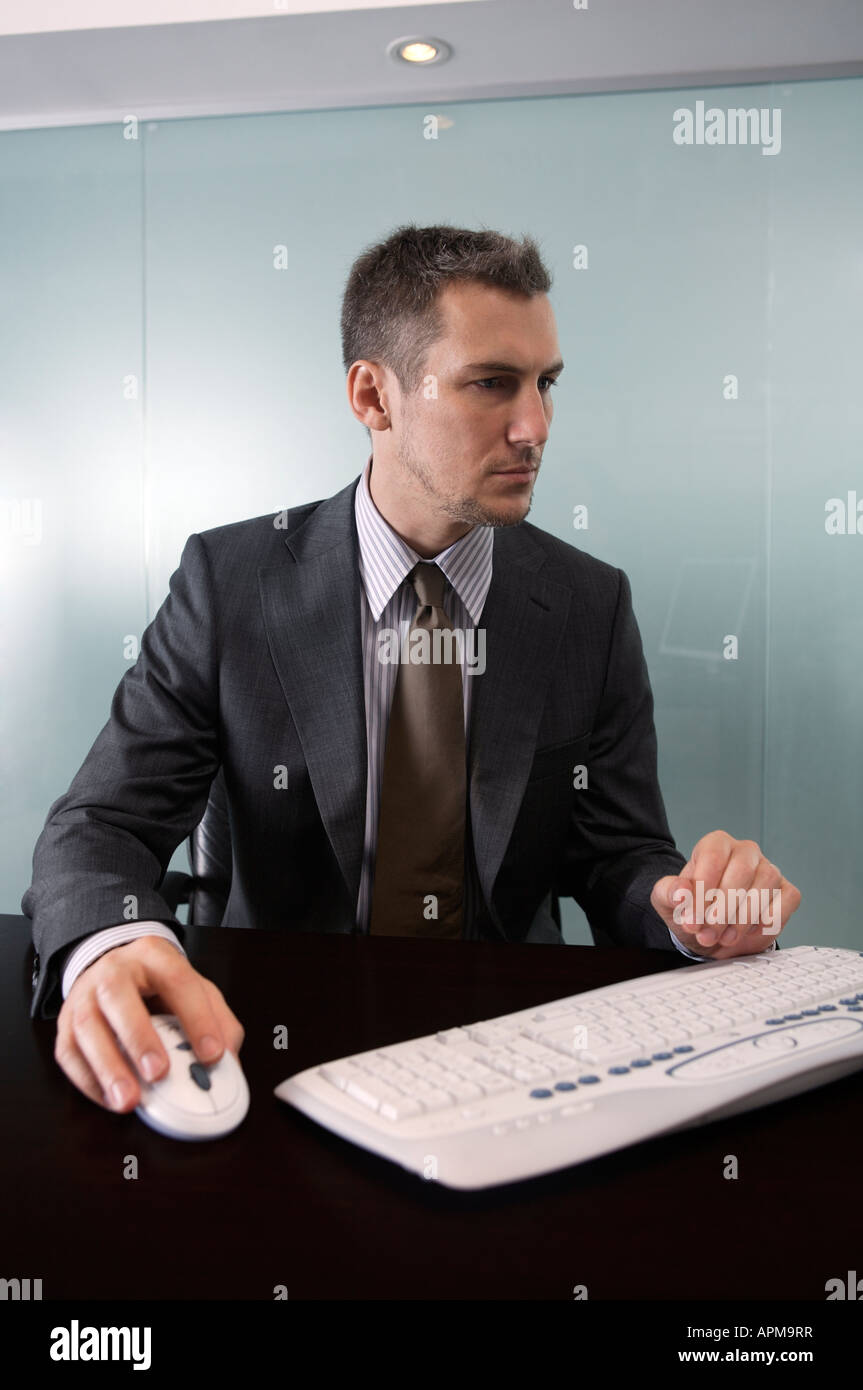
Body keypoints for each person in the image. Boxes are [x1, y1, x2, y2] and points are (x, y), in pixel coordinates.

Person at [21, 223, 801, 1118]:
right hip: (261, 1041)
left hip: (519, 1060)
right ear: (373, 396)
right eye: (490, 384)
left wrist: (685, 909)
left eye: (545, 384)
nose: (534, 426)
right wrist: (112, 943)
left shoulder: (588, 605)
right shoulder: (228, 585)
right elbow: (97, 825)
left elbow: (617, 853)